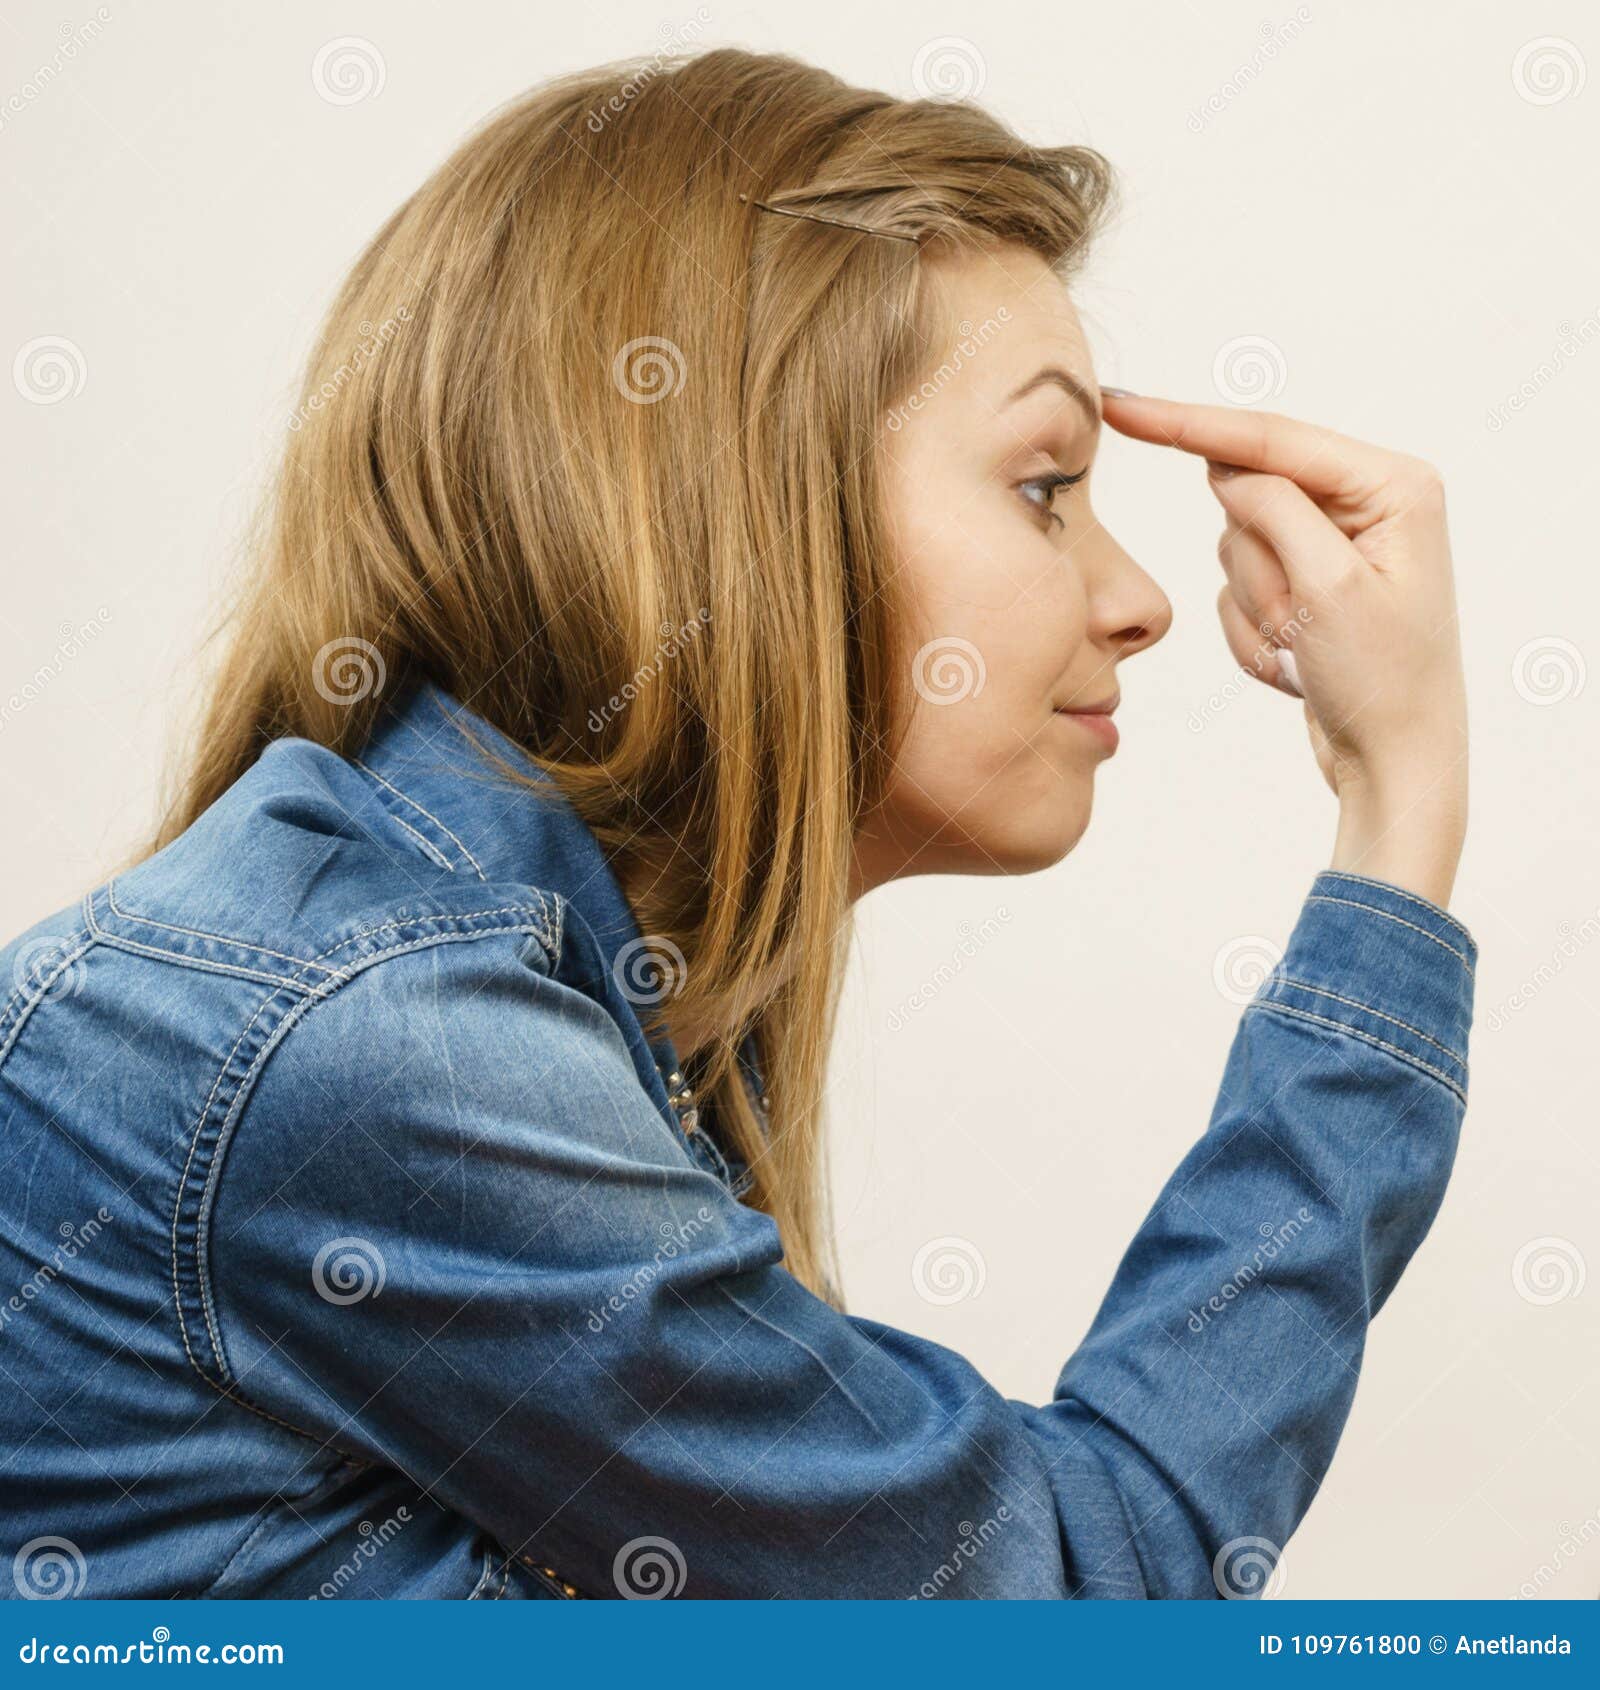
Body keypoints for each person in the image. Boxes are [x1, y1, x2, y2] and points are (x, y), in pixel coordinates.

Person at [0, 47, 1472, 1600]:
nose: (1140, 598)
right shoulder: (380, 1044)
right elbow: (1078, 1600)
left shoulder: (550, 982)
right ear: (731, 487)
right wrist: (1404, 805)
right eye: (1045, 485)